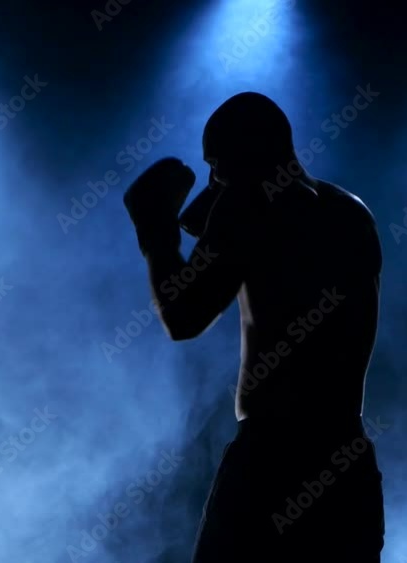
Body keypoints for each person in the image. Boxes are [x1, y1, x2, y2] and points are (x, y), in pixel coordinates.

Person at [123, 92, 384, 562]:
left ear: (246, 154)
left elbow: (184, 317)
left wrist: (156, 233)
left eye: (216, 165)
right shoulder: (351, 211)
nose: (214, 179)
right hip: (347, 457)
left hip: (272, 459)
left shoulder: (247, 205)